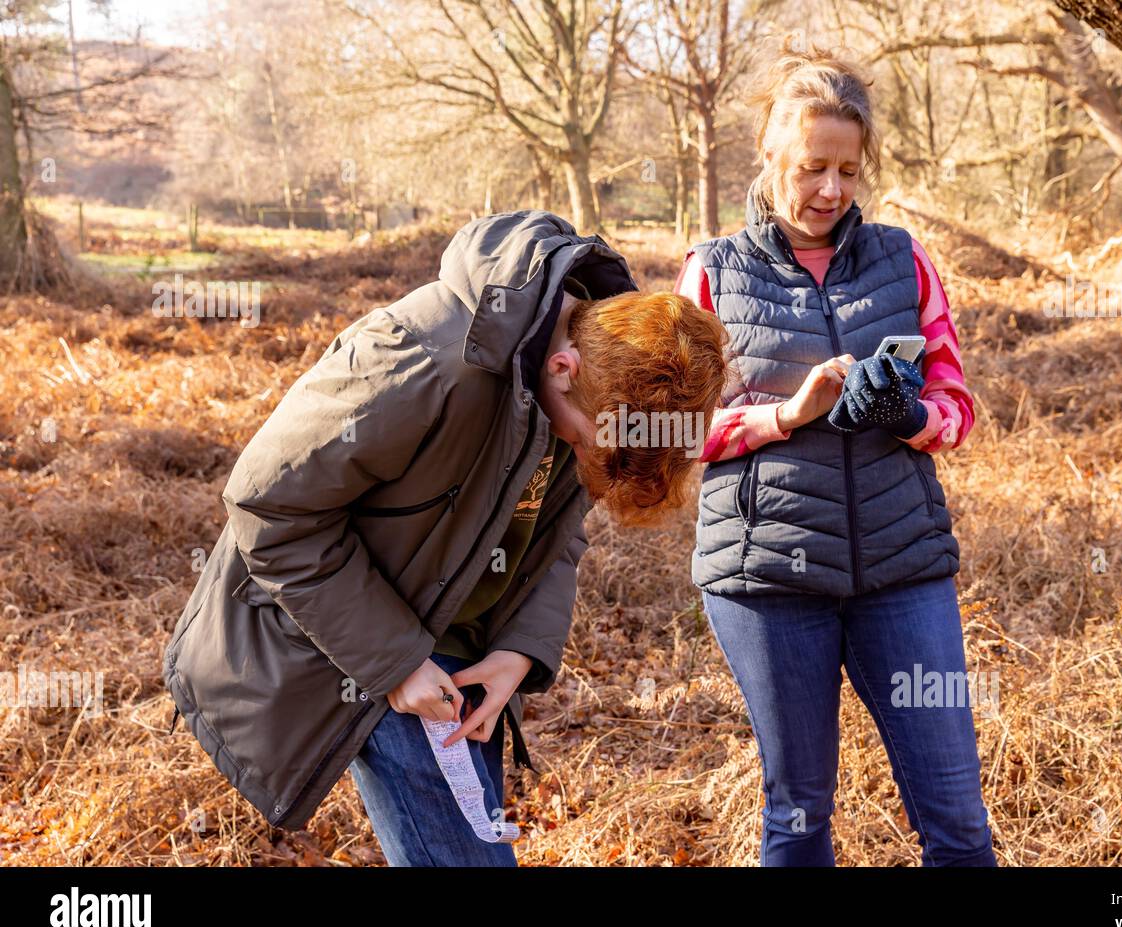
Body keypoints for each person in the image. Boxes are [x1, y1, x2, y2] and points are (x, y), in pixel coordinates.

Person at [163, 208, 729, 865]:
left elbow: (560, 535)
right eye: (583, 441)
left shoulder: (606, 389)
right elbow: (269, 508)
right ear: (565, 367)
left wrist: (520, 650)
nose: (583, 460)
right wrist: (397, 662)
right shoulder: (421, 359)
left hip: (460, 652)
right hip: (353, 635)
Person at [673, 36, 996, 866]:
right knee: (798, 817)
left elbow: (959, 410)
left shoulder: (905, 259)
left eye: (848, 172)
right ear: (769, 153)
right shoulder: (711, 274)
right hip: (769, 578)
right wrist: (785, 414)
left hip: (905, 571)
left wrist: (907, 411)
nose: (829, 189)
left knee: (959, 820)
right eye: (812, 165)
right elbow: (671, 433)